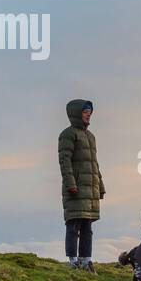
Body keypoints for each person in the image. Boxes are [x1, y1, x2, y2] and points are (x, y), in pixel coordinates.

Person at [58, 98, 103, 270]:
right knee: (73, 225)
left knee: (87, 225)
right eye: (85, 112)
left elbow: (94, 164)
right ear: (76, 114)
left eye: (89, 113)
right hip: (75, 188)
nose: (88, 115)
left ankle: (86, 260)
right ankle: (72, 260)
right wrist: (71, 183)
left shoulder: (91, 137)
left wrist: (101, 185)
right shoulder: (68, 134)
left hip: (90, 189)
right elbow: (64, 161)